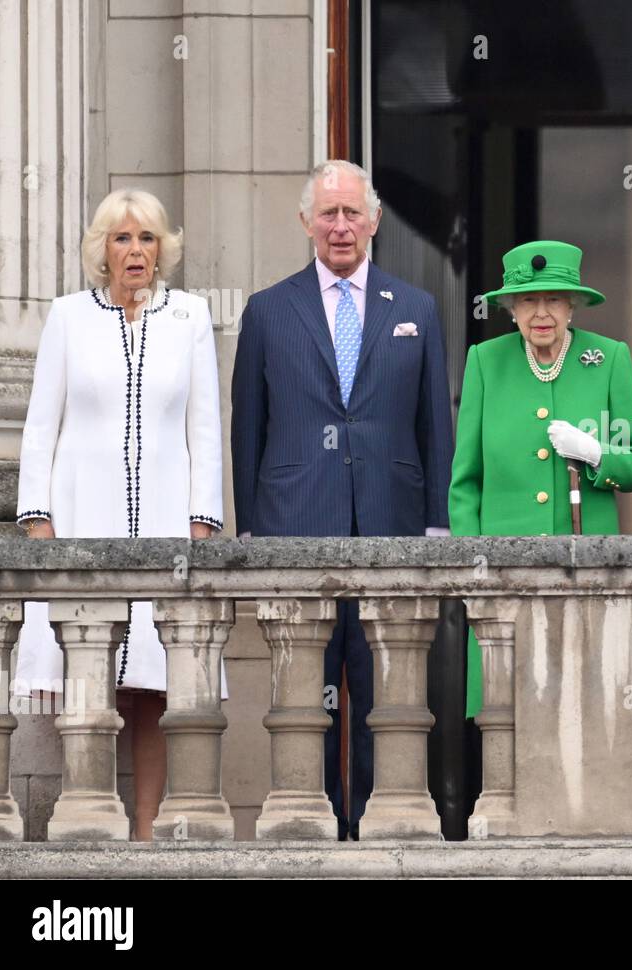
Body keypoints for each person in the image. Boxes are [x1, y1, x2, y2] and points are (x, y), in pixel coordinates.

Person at [230, 159, 454, 841]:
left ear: (375, 220)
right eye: (327, 213)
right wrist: (250, 536)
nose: (340, 225)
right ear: (306, 222)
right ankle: (315, 828)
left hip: (391, 528)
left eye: (352, 212)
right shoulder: (268, 310)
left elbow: (433, 425)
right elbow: (248, 427)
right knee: (306, 699)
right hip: (296, 528)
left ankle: (381, 827)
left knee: (387, 695)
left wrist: (437, 525)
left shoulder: (415, 308)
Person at [15, 188, 224, 841]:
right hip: (83, 522)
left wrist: (201, 527)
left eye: (147, 239)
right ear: (102, 250)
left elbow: (204, 431)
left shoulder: (190, 317)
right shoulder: (68, 318)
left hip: (165, 525)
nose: (136, 251)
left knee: (154, 686)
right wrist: (38, 523)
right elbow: (40, 427)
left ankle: (145, 833)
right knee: (90, 677)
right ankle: (89, 817)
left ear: (163, 248)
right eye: (123, 239)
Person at [449, 240, 632, 717]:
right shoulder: (485, 361)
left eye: (554, 300)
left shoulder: (608, 359)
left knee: (587, 711)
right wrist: (473, 569)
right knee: (509, 715)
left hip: (586, 570)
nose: (541, 313)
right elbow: (466, 483)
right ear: (511, 308)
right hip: (503, 576)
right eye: (528, 301)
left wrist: (597, 453)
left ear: (572, 305)